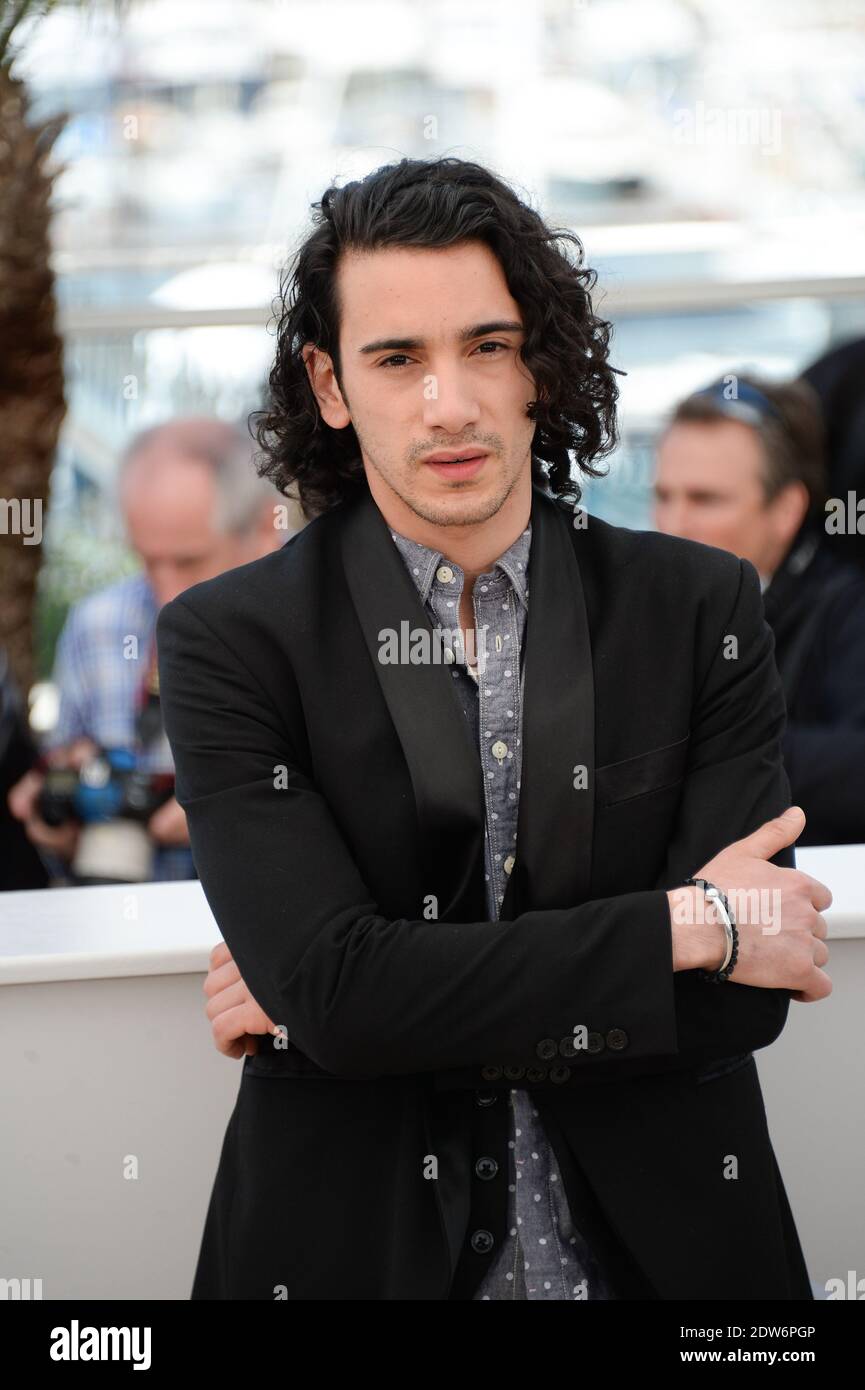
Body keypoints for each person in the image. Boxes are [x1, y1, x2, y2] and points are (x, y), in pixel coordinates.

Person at [157, 158, 831, 1302]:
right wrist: (684, 924)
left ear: (539, 364)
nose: (449, 404)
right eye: (396, 358)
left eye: (486, 345)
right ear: (328, 383)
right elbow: (342, 996)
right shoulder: (232, 640)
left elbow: (739, 996)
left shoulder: (696, 607)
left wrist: (363, 998)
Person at [8, 417, 296, 883]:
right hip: (120, 915)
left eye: (188, 562)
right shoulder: (97, 627)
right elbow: (64, 779)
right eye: (147, 560)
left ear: (265, 528)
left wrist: (234, 810)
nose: (166, 593)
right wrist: (62, 818)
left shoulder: (324, 622)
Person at [655, 375, 865, 845]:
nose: (672, 524)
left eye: (705, 499)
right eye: (663, 496)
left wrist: (695, 751)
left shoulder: (847, 612)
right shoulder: (633, 604)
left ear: (786, 509)